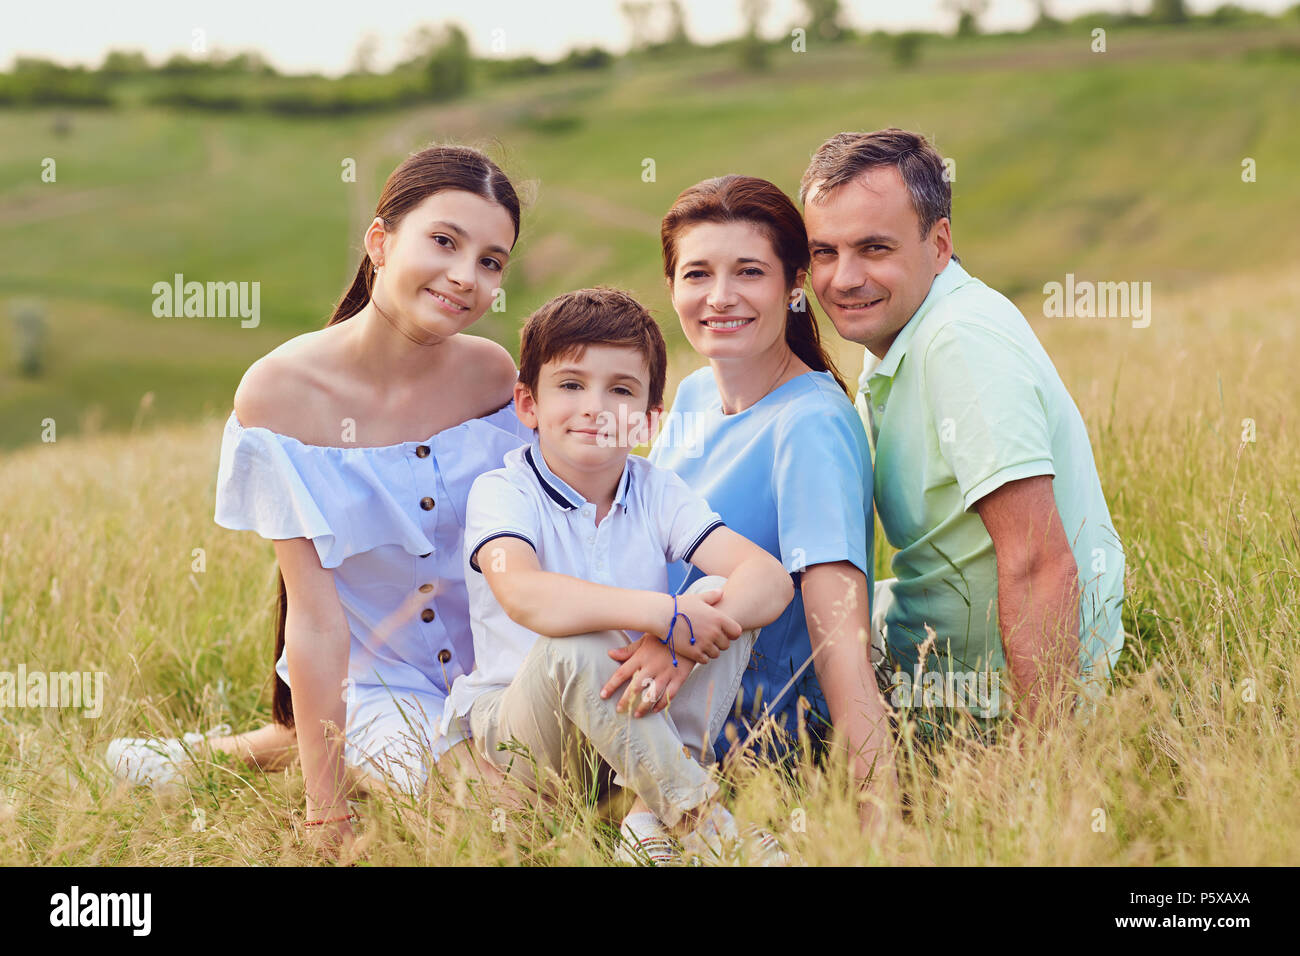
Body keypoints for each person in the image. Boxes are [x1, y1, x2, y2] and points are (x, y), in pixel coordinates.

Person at [106, 144, 534, 856]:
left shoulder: (492, 376)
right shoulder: (279, 396)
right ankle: (255, 752)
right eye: (444, 241)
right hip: (381, 679)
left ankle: (225, 751)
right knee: (480, 809)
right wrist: (326, 811)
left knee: (569, 782)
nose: (467, 277)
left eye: (491, 261)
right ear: (379, 241)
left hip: (500, 661)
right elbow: (312, 617)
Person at [438, 287, 795, 865]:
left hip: (630, 721)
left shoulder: (656, 490)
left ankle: (641, 816)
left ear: (652, 418)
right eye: (572, 385)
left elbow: (771, 580)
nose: (595, 407)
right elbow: (526, 595)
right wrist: (661, 617)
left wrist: (672, 646)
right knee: (577, 638)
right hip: (526, 737)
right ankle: (701, 819)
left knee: (717, 593)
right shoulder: (503, 492)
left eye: (621, 390)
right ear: (528, 404)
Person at [800, 128, 1126, 732]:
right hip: (930, 669)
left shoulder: (959, 342)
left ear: (939, 243)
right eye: (824, 252)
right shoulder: (902, 329)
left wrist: (1042, 767)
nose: (843, 279)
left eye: (874, 248)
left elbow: (1039, 561)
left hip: (983, 708)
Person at [647, 175, 897, 825]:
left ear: (793, 286)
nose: (720, 297)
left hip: (748, 750)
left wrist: (877, 820)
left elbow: (841, 642)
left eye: (749, 272)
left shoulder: (808, 423)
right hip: (655, 702)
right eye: (697, 273)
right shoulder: (698, 394)